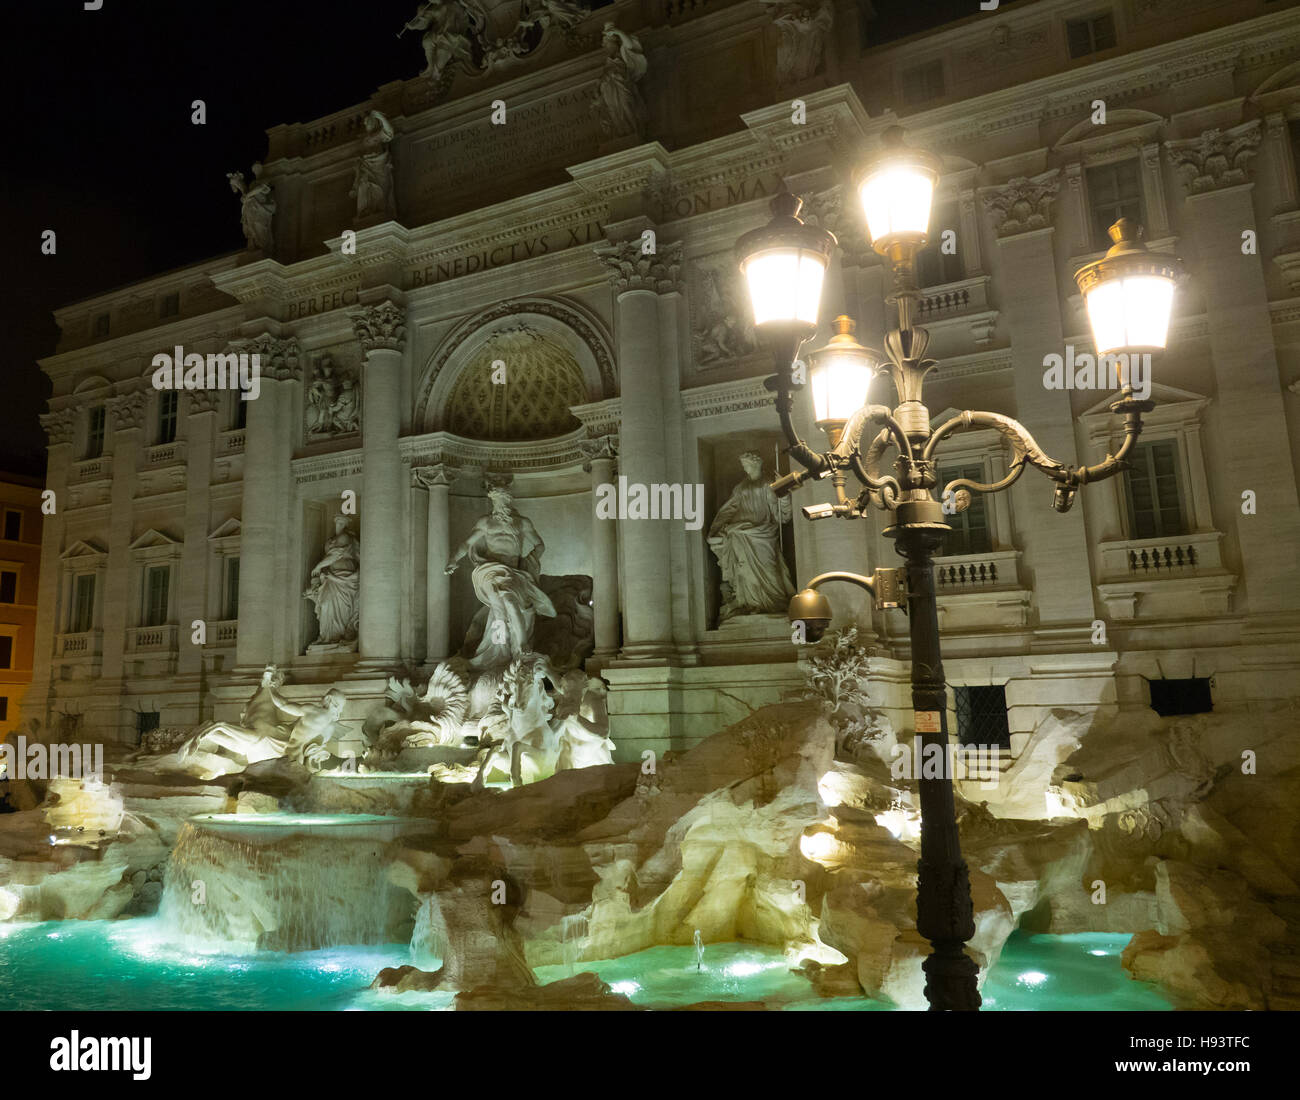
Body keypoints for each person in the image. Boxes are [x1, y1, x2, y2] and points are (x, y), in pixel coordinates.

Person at [446, 488, 554, 670]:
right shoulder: (486, 522)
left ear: (509, 502)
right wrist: (453, 560)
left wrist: (529, 561)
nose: (499, 505)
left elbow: (539, 545)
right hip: (490, 570)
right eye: (496, 502)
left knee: (510, 604)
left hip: (512, 572)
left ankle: (515, 647)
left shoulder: (522, 523)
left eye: (502, 501)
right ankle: (509, 648)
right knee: (501, 606)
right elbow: (467, 544)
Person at [708, 452, 795, 621]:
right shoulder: (740, 488)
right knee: (744, 569)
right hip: (742, 532)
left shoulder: (768, 484)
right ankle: (750, 603)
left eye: (746, 465)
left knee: (769, 568)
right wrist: (717, 529)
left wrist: (782, 491)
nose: (744, 468)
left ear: (756, 465)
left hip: (764, 532)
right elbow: (729, 510)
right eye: (743, 465)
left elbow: (781, 515)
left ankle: (775, 603)